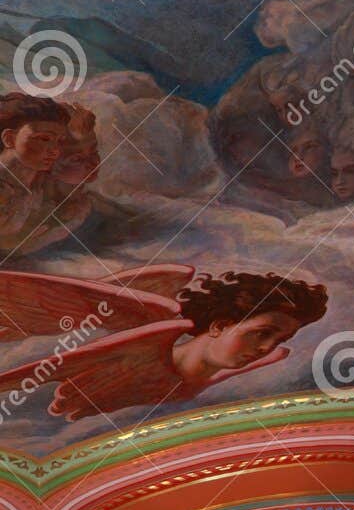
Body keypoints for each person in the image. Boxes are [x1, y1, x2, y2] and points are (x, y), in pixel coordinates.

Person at [0, 267, 328, 419]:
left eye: (280, 339)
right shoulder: (155, 342)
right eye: (262, 333)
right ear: (219, 325)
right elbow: (54, 366)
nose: (267, 348)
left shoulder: (229, 372)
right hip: (34, 407)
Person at [0, 92, 71, 254]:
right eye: (44, 139)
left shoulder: (38, 186)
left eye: (60, 141)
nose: (55, 150)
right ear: (9, 138)